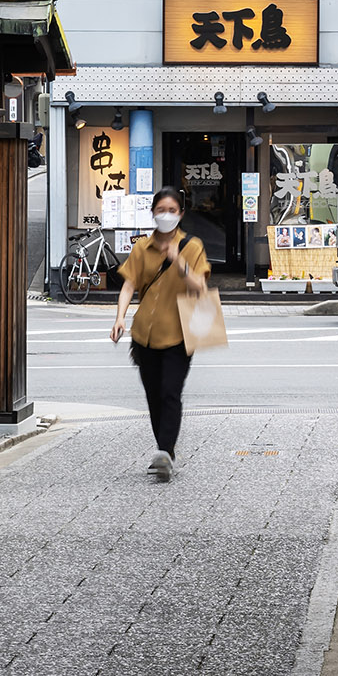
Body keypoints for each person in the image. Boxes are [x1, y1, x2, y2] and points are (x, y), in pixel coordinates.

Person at [111, 185, 210, 480]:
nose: (165, 215)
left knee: (170, 392)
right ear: (153, 213)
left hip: (179, 333)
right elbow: (129, 284)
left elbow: (200, 287)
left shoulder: (192, 246)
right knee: (154, 394)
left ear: (181, 214)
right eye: (160, 210)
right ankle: (164, 448)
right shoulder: (142, 247)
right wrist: (119, 317)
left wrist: (177, 260)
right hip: (145, 335)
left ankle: (165, 450)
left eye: (171, 210)